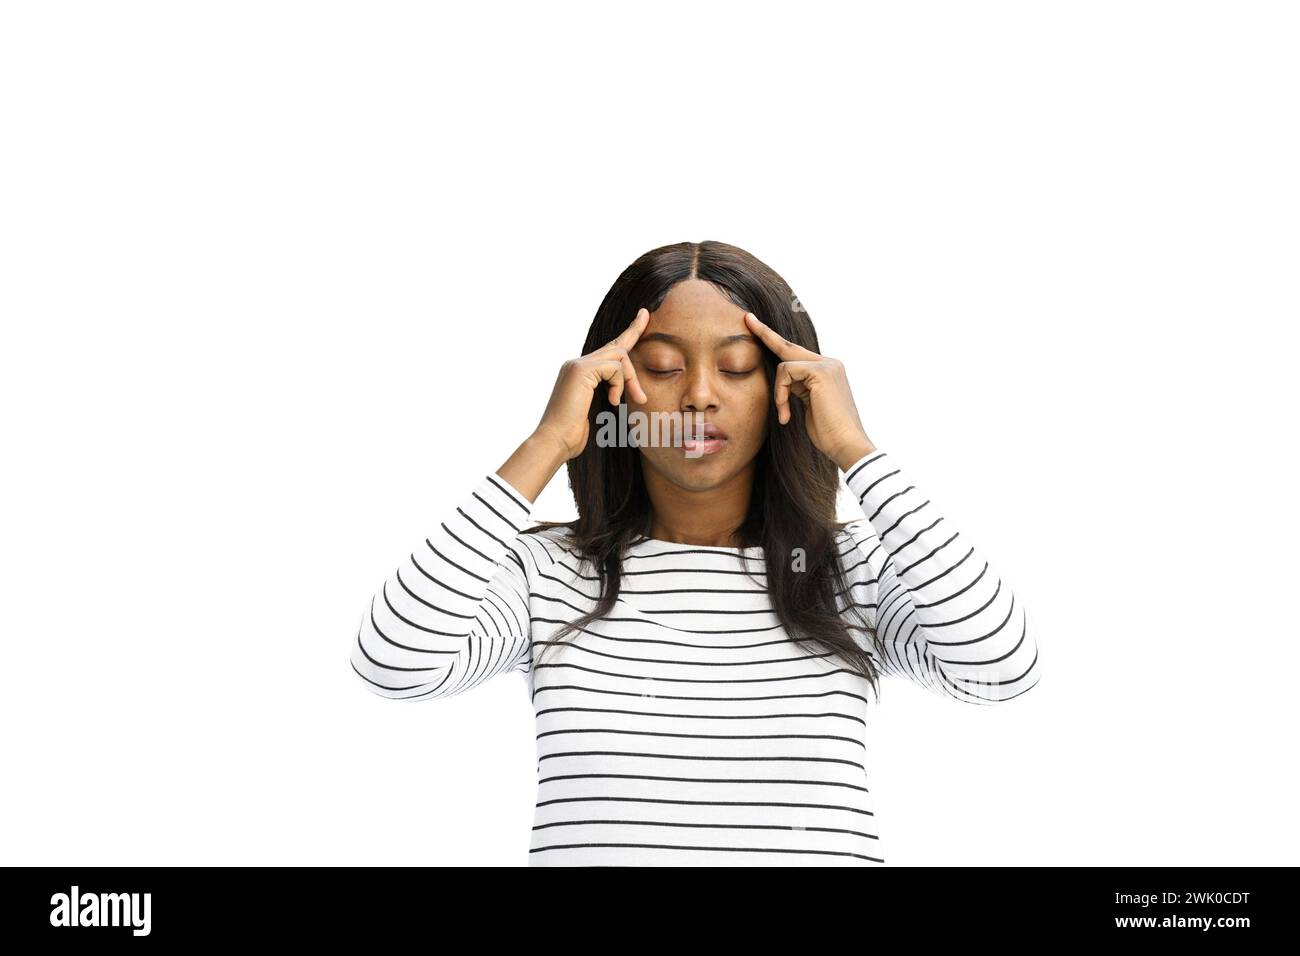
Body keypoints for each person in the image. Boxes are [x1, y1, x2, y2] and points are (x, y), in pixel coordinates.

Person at [349, 240, 1041, 866]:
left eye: (737, 369)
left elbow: (1001, 668)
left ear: (786, 388)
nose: (700, 396)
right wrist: (545, 446)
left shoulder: (847, 571)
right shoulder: (548, 572)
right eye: (663, 367)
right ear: (612, 385)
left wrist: (854, 449)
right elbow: (392, 663)